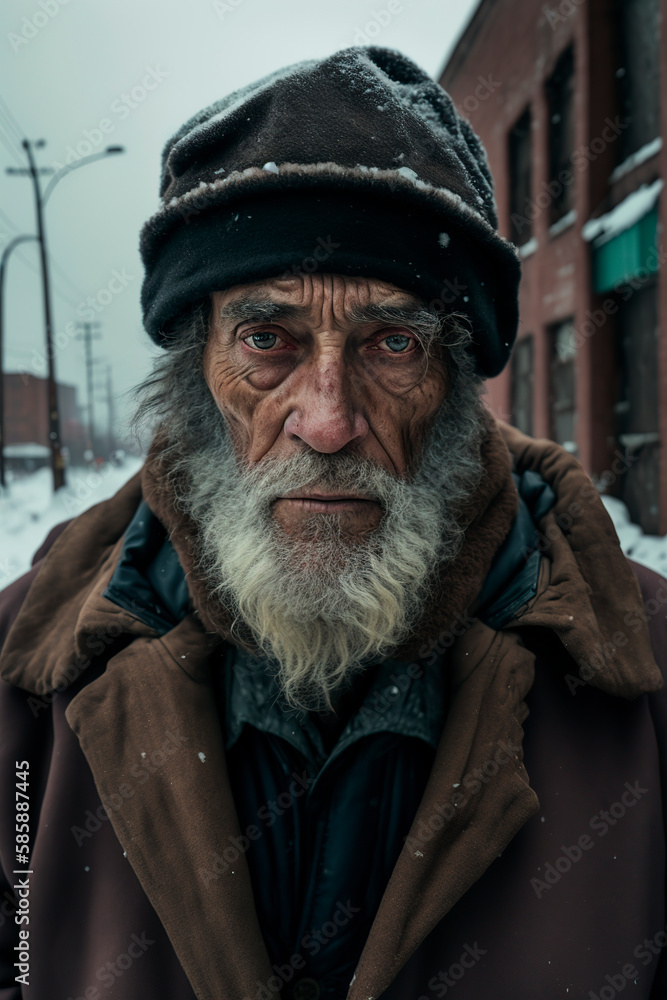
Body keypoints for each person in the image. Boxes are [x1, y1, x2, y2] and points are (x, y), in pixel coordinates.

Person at [1, 46, 666, 1000]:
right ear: (197, 373)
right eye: (266, 340)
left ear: (452, 384)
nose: (325, 419)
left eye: (391, 343)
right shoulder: (25, 686)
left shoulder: (642, 678)